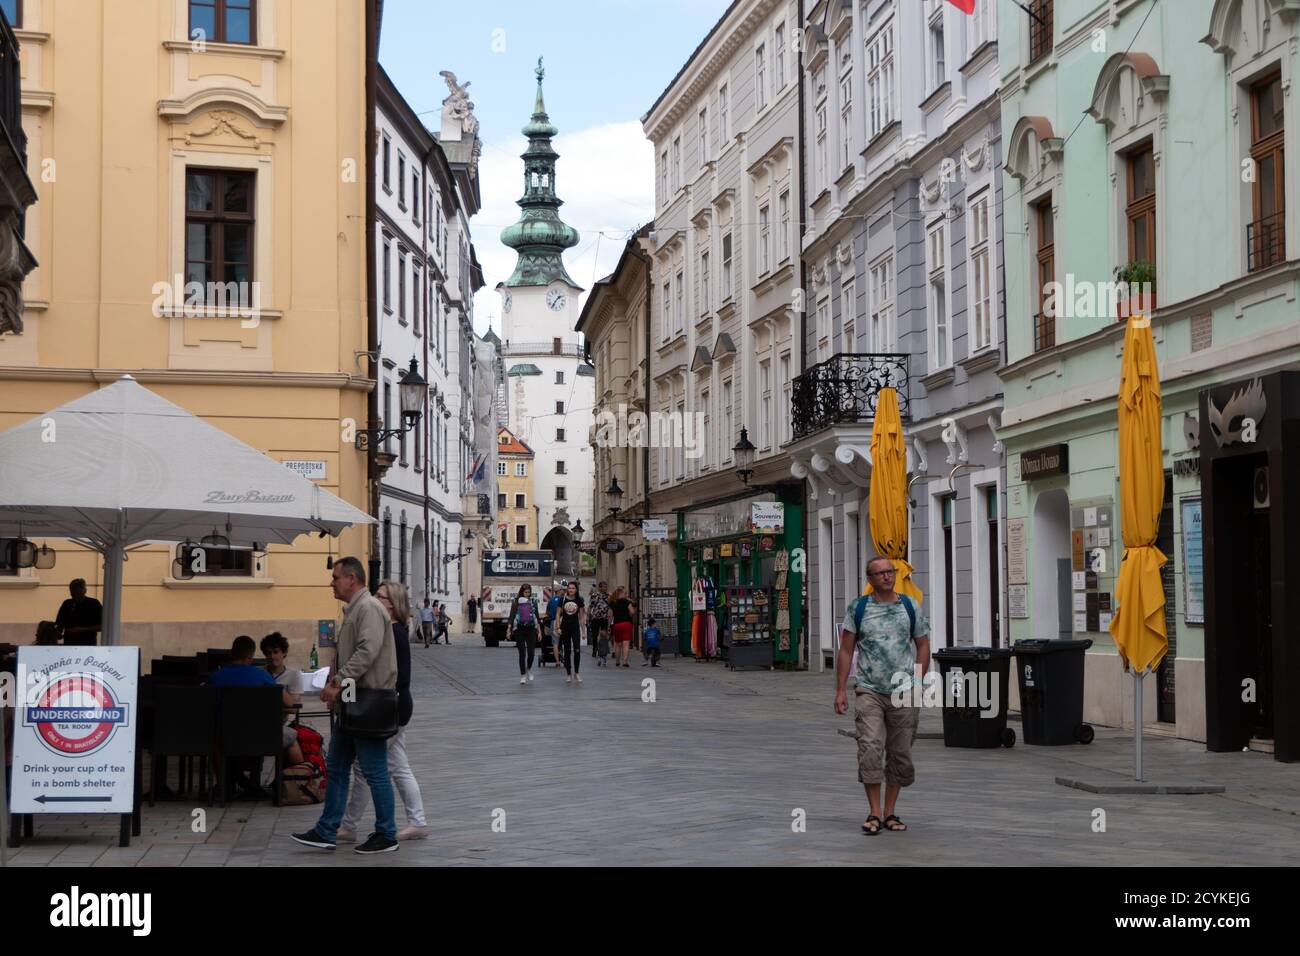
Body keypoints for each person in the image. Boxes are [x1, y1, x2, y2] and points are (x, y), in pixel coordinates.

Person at [291, 557, 400, 855]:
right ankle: (327, 830)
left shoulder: (368, 609)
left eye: (336, 578)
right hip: (350, 704)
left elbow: (367, 651)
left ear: (352, 578)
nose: (332, 583)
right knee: (337, 768)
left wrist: (336, 682)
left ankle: (387, 833)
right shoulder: (357, 609)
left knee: (375, 771)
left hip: (366, 702)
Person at [834, 556, 930, 836]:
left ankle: (890, 812)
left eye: (890, 571)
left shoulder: (910, 606)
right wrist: (840, 689)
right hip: (869, 689)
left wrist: (917, 682)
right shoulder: (859, 608)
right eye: (881, 573)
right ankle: (874, 812)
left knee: (900, 753)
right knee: (871, 747)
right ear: (870, 579)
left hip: (904, 691)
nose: (887, 576)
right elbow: (845, 650)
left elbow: (923, 645)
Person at [338, 580, 428, 842]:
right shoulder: (389, 629)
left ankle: (349, 826)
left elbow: (399, 677)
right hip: (395, 707)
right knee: (398, 767)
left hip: (391, 708)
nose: (375, 599)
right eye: (376, 594)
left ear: (393, 605)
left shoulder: (395, 632)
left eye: (381, 596)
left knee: (365, 767)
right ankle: (418, 822)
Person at [208, 635, 301, 793]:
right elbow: (290, 703)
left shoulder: (215, 677)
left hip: (225, 737)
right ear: (251, 657)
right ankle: (292, 785)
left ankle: (226, 784)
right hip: (260, 736)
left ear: (232, 653)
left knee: (215, 738)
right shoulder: (261, 676)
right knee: (292, 737)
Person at [507, 583, 541, 683]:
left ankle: (529, 669)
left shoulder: (533, 602)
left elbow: (537, 617)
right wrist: (509, 629)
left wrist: (539, 631)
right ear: (521, 592)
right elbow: (511, 616)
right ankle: (522, 675)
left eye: (528, 592)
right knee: (522, 654)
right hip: (519, 629)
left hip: (531, 629)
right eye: (525, 592)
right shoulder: (515, 602)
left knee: (531, 653)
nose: (527, 594)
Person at [55, 578, 103, 644]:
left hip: (87, 645)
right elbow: (60, 623)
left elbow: (102, 626)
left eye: (78, 595)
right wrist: (58, 632)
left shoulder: (94, 604)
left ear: (85, 591)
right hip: (69, 645)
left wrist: (82, 629)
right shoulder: (67, 603)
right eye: (73, 595)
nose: (75, 598)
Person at [556, 580, 585, 684]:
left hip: (575, 627)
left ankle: (576, 672)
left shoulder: (579, 600)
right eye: (569, 588)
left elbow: (581, 616)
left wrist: (583, 631)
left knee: (577, 650)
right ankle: (568, 674)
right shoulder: (562, 599)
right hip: (565, 627)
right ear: (567, 589)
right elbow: (558, 614)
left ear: (576, 590)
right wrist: (558, 627)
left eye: (573, 588)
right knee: (567, 651)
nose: (571, 590)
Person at [609, 586, 637, 668]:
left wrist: (608, 626)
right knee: (626, 644)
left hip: (617, 624)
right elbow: (632, 612)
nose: (626, 595)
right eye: (625, 593)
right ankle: (625, 662)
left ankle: (617, 661)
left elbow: (610, 615)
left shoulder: (613, 603)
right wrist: (631, 613)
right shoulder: (627, 602)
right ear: (622, 593)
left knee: (618, 644)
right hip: (627, 624)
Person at [588, 581, 610, 658]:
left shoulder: (608, 596)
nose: (605, 588)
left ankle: (603, 649)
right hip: (595, 618)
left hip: (604, 617)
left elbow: (611, 607)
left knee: (604, 634)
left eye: (606, 587)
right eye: (603, 587)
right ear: (600, 587)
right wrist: (589, 616)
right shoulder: (594, 595)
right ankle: (594, 649)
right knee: (594, 634)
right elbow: (590, 606)